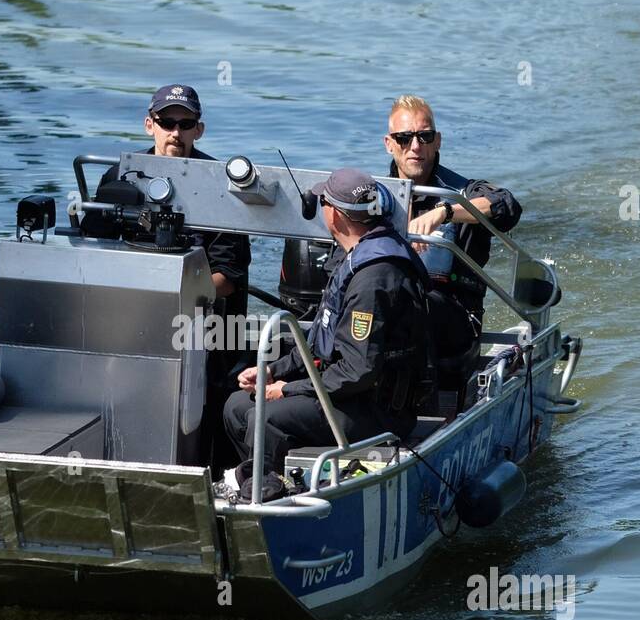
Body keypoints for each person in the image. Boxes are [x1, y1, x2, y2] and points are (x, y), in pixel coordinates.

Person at [220, 169, 431, 502]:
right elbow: (321, 341)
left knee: (268, 415)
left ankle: (264, 498)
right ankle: (260, 480)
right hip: (344, 393)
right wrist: (275, 371)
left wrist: (288, 390)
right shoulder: (352, 259)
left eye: (324, 202)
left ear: (334, 213)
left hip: (375, 409)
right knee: (235, 405)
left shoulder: (373, 279)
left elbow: (358, 370)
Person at [81, 84, 252, 470]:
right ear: (149, 125)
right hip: (128, 313)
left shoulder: (222, 187)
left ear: (199, 130)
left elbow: (228, 276)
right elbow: (92, 250)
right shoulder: (119, 178)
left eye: (185, 123)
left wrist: (172, 300)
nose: (175, 132)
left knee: (204, 385)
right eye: (166, 121)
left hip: (201, 324)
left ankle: (200, 466)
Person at [383, 94, 522, 332]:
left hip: (455, 321)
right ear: (389, 144)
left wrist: (446, 212)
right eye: (404, 138)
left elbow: (507, 205)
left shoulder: (461, 191)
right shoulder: (377, 196)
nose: (415, 146)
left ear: (437, 141)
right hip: (389, 312)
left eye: (424, 136)